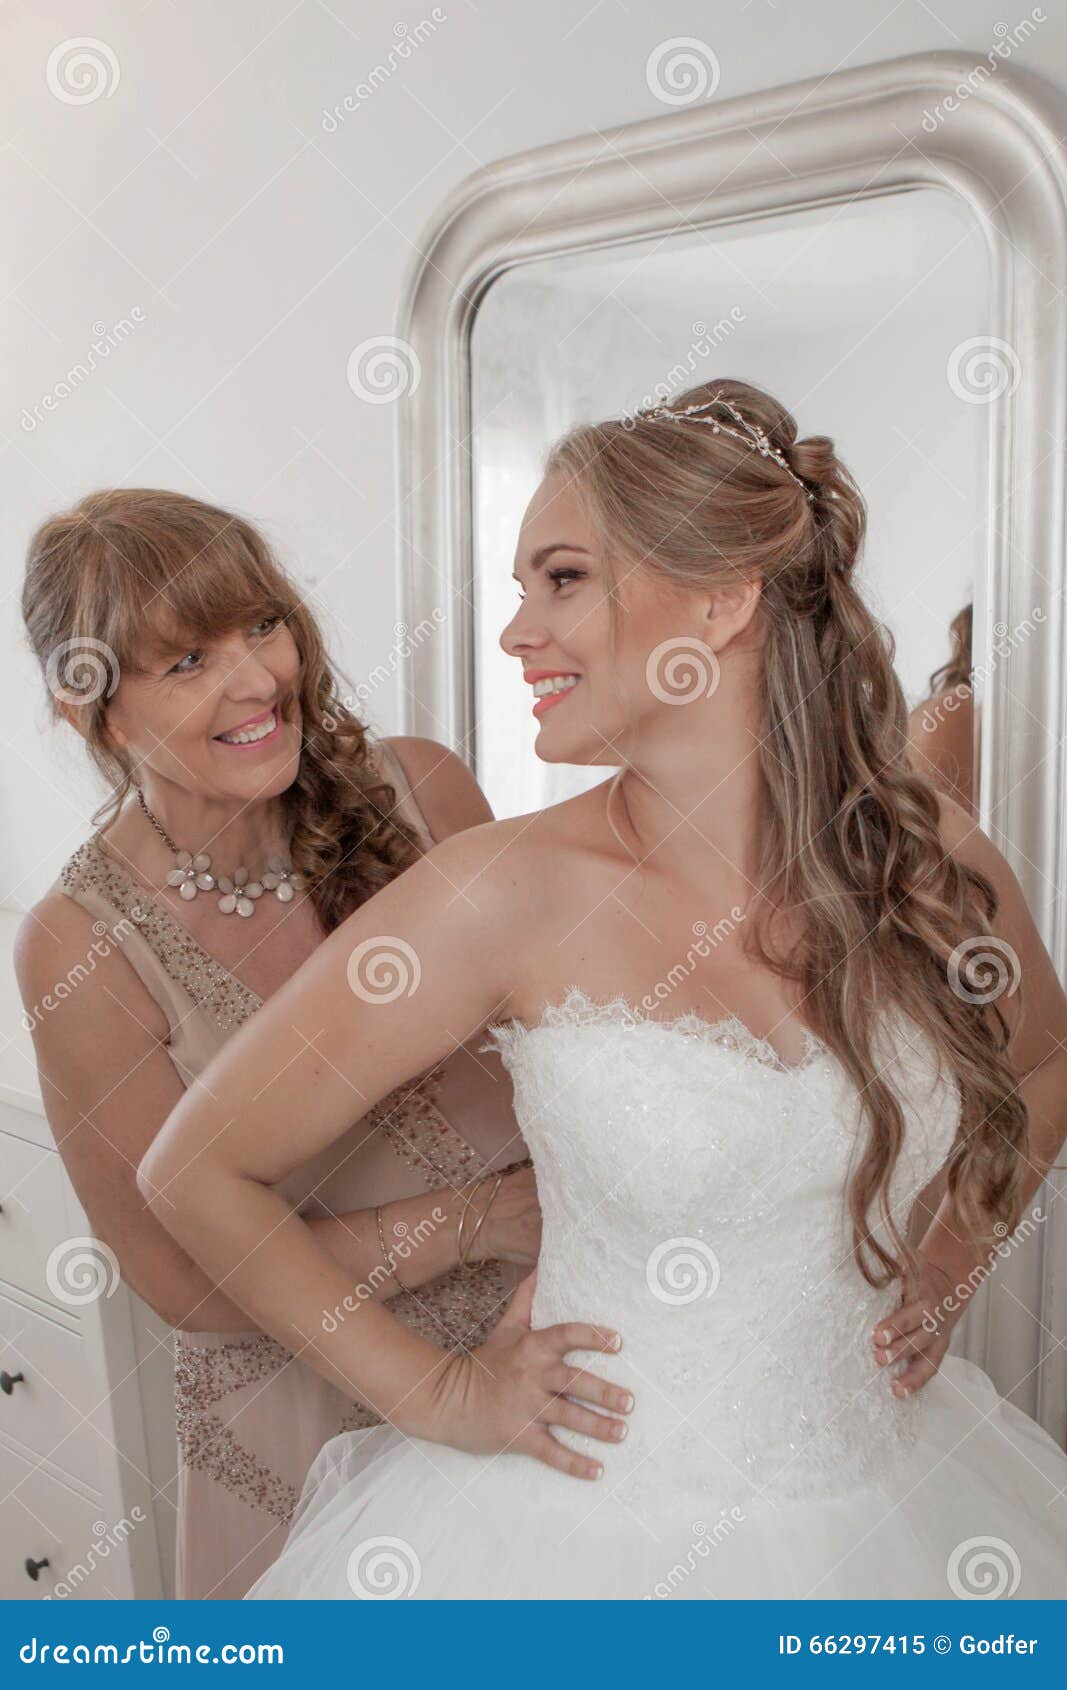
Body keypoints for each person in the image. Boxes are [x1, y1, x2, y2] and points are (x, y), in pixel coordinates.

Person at [140, 384, 1067, 1598]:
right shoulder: (498, 894)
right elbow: (191, 1168)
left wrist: (945, 1264)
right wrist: (441, 1394)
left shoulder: (922, 852)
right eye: (523, 588)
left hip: (892, 1509)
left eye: (561, 578)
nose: (517, 632)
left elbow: (1039, 1065)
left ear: (722, 598)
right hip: (574, 1543)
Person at [15, 488, 553, 1598]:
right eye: (185, 663)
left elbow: (563, 1048)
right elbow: (186, 1283)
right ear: (96, 714)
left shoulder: (428, 791)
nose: (257, 680)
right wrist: (476, 1219)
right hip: (297, 1413)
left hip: (533, 1329)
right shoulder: (80, 942)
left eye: (262, 624)